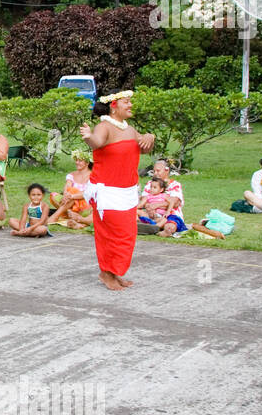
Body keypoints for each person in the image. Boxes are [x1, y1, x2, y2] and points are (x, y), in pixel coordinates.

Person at [79, 90, 155, 291]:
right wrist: (88, 137)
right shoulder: (104, 127)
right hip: (107, 191)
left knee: (127, 234)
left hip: (127, 190)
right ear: (114, 106)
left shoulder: (129, 129)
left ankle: (114, 271)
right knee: (111, 234)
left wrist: (150, 135)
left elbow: (145, 147)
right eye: (126, 102)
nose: (130, 105)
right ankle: (106, 273)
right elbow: (96, 142)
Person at [48, 151, 93, 228]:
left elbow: (87, 193)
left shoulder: (93, 175)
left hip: (85, 205)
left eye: (80, 161)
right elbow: (67, 186)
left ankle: (55, 216)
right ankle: (70, 214)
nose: (77, 162)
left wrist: (71, 196)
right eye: (76, 160)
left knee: (72, 191)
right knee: (53, 195)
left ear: (87, 163)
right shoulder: (72, 175)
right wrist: (66, 194)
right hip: (69, 203)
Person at [142, 158, 185, 226]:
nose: (155, 173)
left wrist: (157, 205)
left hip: (170, 215)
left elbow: (175, 203)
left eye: (158, 171)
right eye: (154, 171)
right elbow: (143, 200)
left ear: (166, 170)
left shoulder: (175, 185)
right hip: (152, 215)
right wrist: (149, 207)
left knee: (170, 224)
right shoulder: (150, 183)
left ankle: (156, 227)